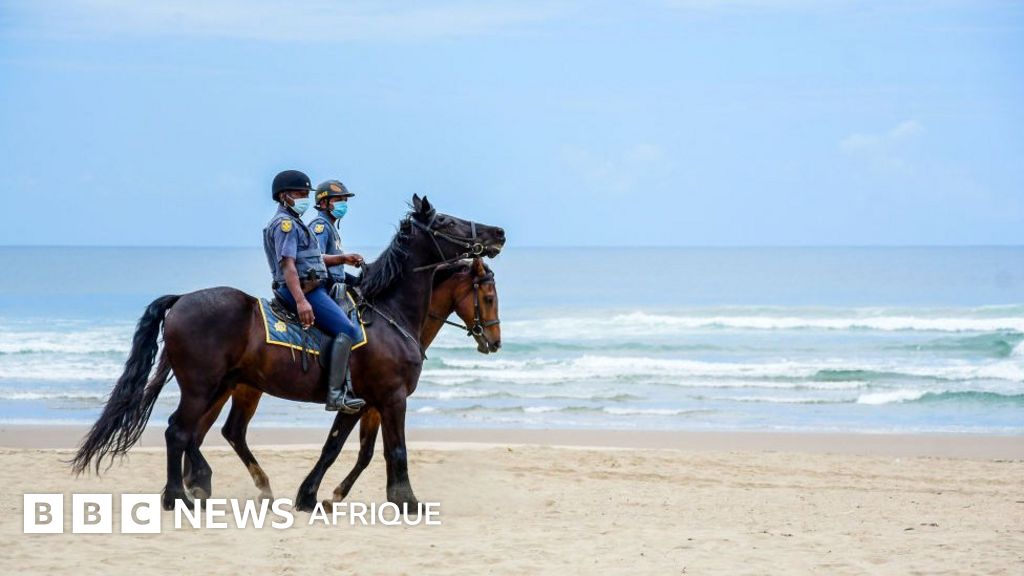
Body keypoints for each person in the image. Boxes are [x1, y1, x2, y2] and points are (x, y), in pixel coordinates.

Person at [262, 169, 366, 413]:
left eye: (305, 193)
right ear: (283, 196)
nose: (303, 198)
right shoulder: (285, 224)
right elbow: (287, 264)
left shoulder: (296, 223)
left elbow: (313, 259)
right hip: (303, 290)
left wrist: (344, 261)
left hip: (310, 287)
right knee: (348, 329)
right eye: (299, 193)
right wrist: (301, 301)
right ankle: (335, 395)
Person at [308, 179, 363, 300]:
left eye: (344, 200)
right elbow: (316, 260)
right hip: (326, 288)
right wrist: (344, 258)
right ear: (323, 203)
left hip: (336, 284)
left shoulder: (329, 226)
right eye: (338, 200)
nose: (343, 204)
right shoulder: (320, 226)